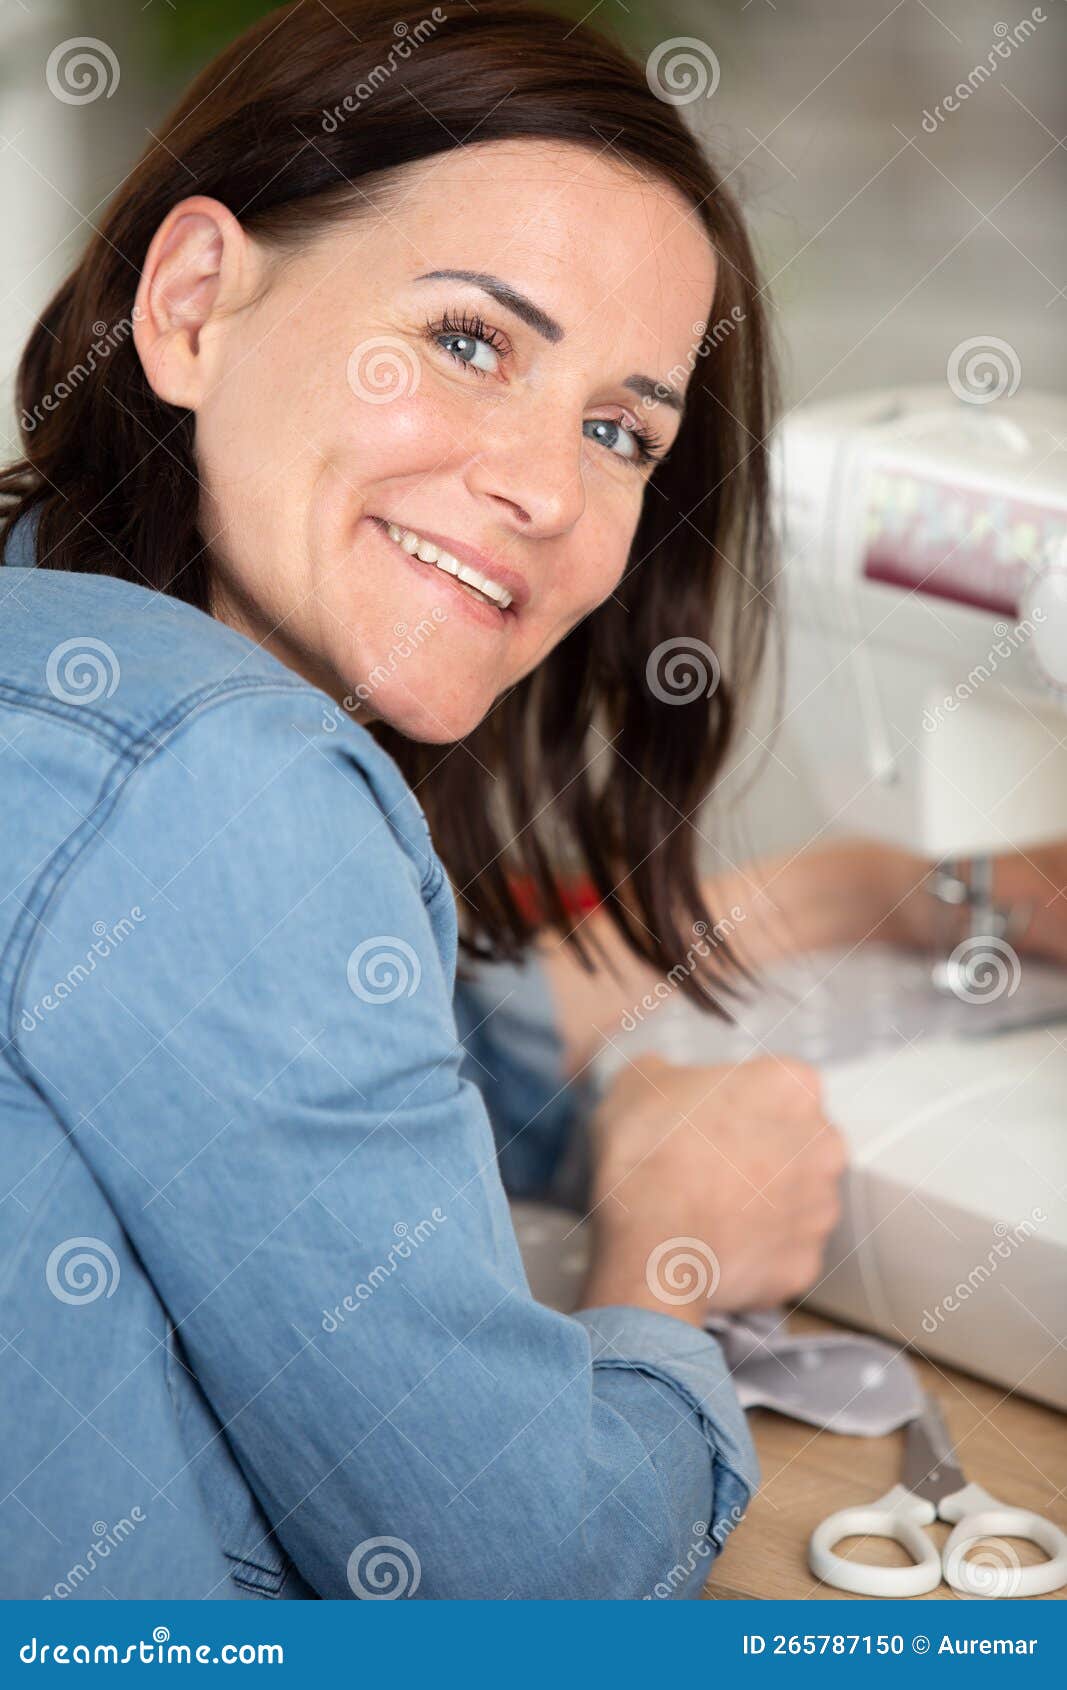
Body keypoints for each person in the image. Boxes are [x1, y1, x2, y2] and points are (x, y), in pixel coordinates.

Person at [3, 0, 1060, 1602]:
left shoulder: (65, 669)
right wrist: (666, 1262)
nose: (552, 494)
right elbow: (526, 1579)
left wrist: (872, 892)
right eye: (469, 341)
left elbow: (298, 1063)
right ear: (195, 302)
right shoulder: (224, 778)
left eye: (624, 430)